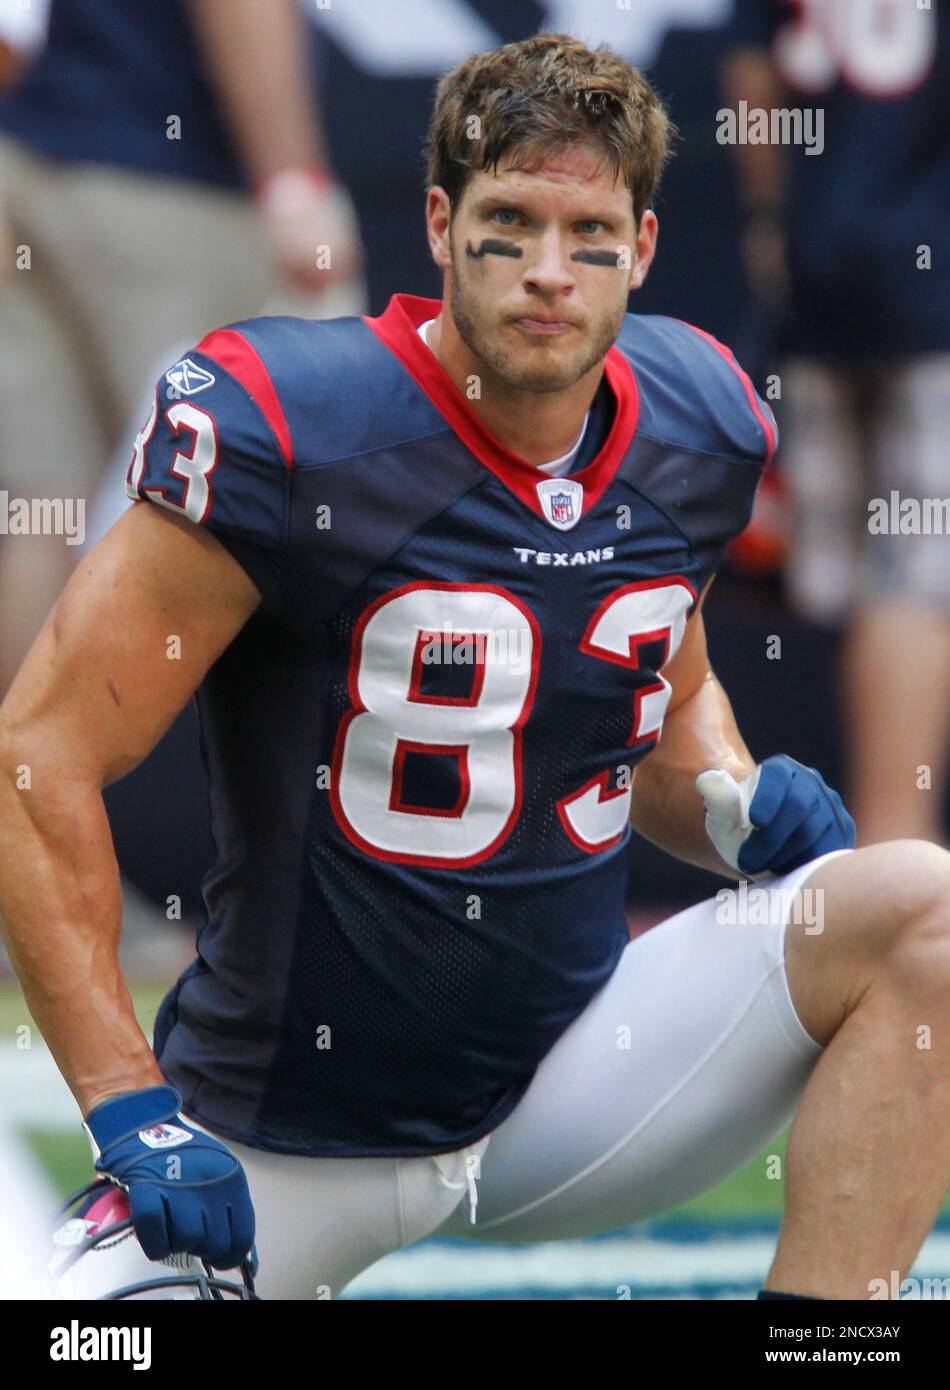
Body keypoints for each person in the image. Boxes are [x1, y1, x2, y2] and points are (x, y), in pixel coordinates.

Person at [0, 32, 947, 1301]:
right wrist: (126, 1102)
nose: (547, 273)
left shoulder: (692, 419)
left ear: (643, 250)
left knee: (922, 911)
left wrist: (722, 794)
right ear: (440, 225)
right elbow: (36, 756)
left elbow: (662, 698)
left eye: (588, 234)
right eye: (508, 222)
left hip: (575, 1072)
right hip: (286, 1136)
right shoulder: (302, 429)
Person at [0, 0, 363, 698]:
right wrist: (293, 181)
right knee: (191, 529)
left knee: (45, 518)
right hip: (170, 192)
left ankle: (25, 799)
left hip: (30, 164)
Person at [723, 0, 950, 846]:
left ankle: (872, 854)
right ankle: (900, 850)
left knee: (855, 588)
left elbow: (751, 78)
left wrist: (771, 226)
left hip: (819, 283)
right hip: (930, 291)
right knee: (917, 586)